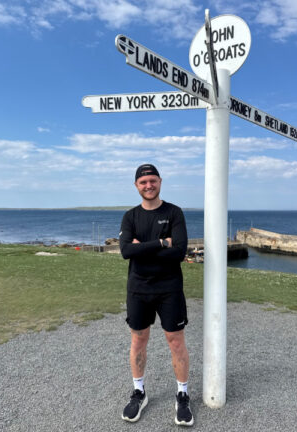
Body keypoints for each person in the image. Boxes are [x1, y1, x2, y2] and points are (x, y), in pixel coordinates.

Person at [119, 164, 193, 427]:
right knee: (138, 340)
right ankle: (139, 391)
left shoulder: (174, 213)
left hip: (169, 287)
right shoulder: (130, 217)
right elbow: (126, 251)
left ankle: (182, 394)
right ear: (136, 186)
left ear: (160, 182)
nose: (148, 185)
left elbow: (180, 251)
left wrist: (144, 248)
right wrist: (162, 243)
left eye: (152, 180)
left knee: (175, 341)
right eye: (143, 182)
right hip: (138, 288)